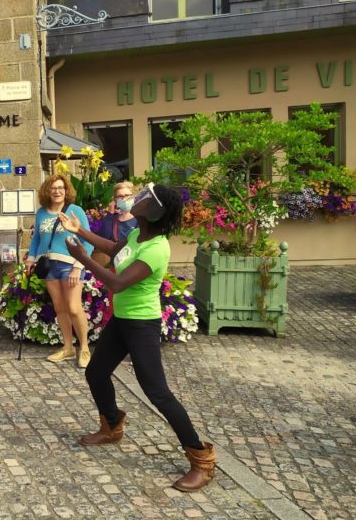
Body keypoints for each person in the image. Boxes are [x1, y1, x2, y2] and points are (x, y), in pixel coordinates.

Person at [61, 183, 216, 492]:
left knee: (157, 393)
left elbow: (117, 283)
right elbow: (112, 249)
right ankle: (112, 425)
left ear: (154, 211)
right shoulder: (137, 235)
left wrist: (82, 258)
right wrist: (80, 231)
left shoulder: (157, 247)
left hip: (142, 325)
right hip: (122, 320)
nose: (136, 200)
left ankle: (202, 458)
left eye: (145, 198)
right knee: (96, 372)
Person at [24, 174, 94, 368]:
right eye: (53, 188)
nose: (57, 191)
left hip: (70, 266)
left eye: (61, 188)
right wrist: (31, 260)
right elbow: (36, 239)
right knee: (60, 307)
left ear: (66, 190)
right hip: (48, 266)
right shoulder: (41, 213)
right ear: (47, 190)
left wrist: (78, 267)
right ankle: (68, 347)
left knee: (73, 307)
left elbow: (87, 241)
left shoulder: (74, 211)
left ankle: (85, 348)